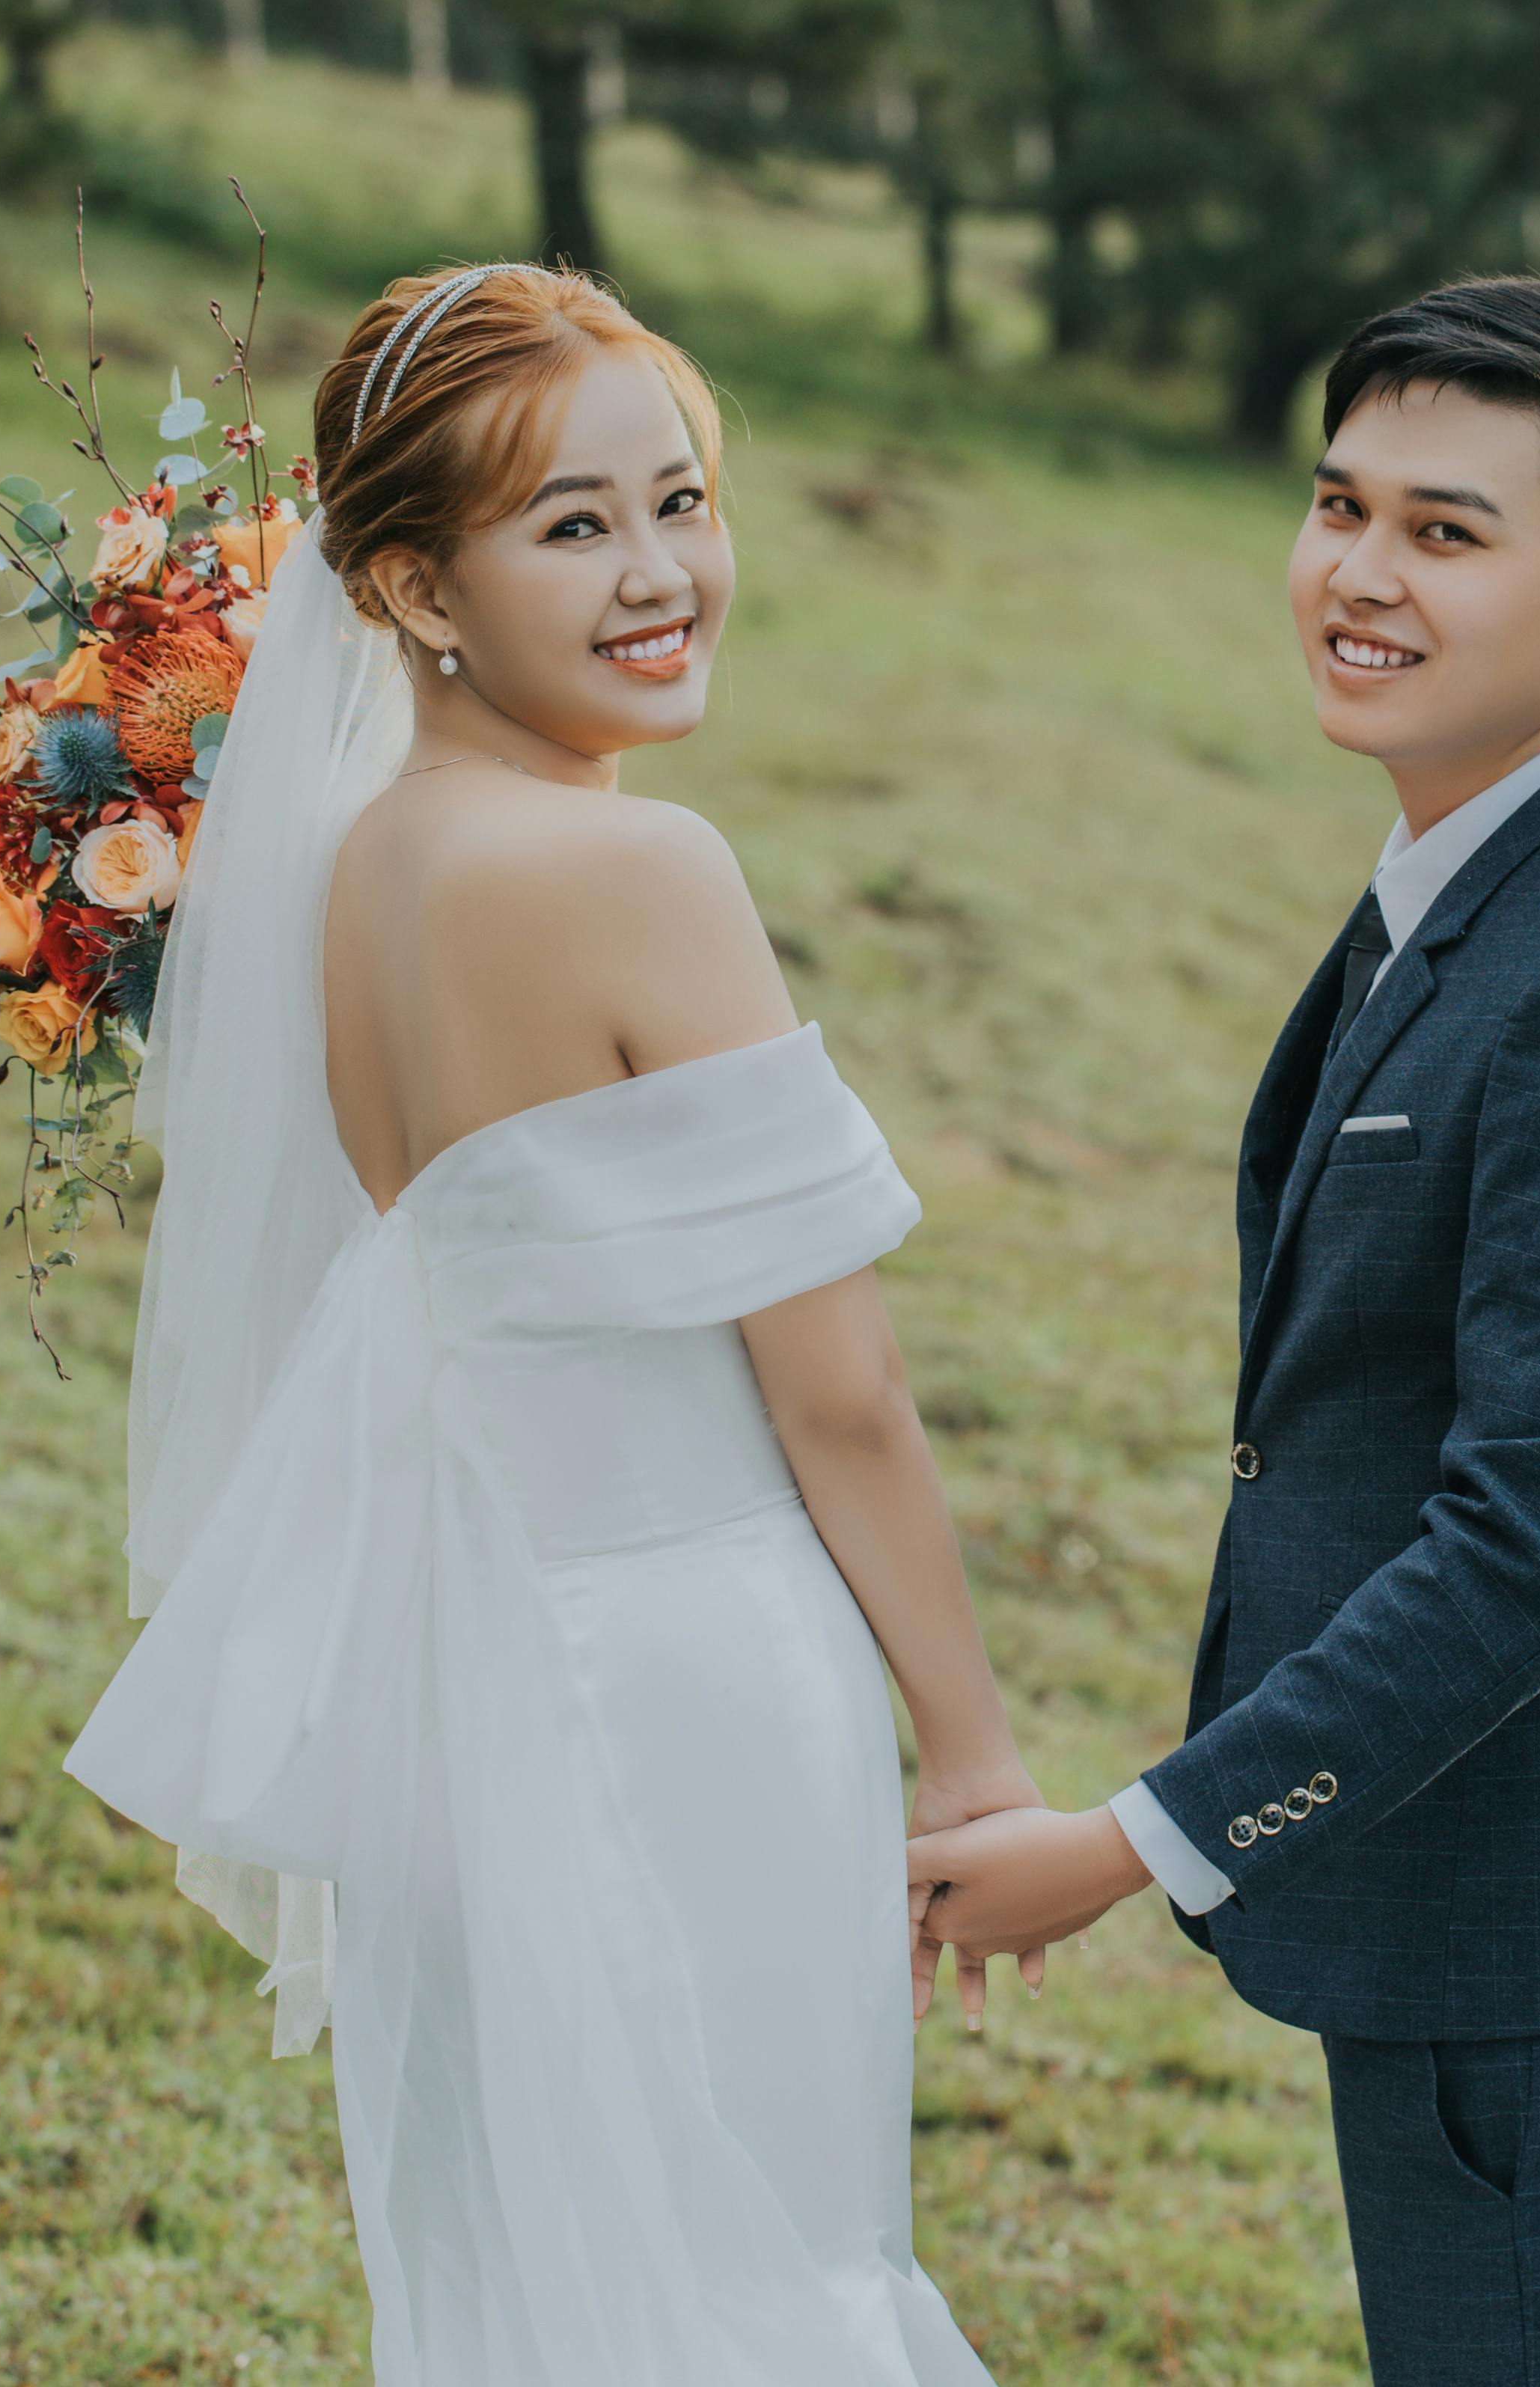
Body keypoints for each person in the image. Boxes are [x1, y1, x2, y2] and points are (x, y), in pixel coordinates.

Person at [67, 263, 1024, 2383]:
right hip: (690, 1669)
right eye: (569, 528)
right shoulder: (639, 876)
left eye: (678, 500)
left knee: (551, 2270)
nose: (659, 573)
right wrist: (966, 1755)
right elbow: (840, 1395)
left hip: (485, 1675)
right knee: (761, 2269)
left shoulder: (356, 866)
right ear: (411, 584)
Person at [908, 277, 1540, 2386]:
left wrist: (1132, 1845)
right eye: (1340, 508)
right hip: (1474, 1912)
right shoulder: (1465, 871)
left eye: (1445, 532)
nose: (1357, 575)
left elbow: (1529, 1540)